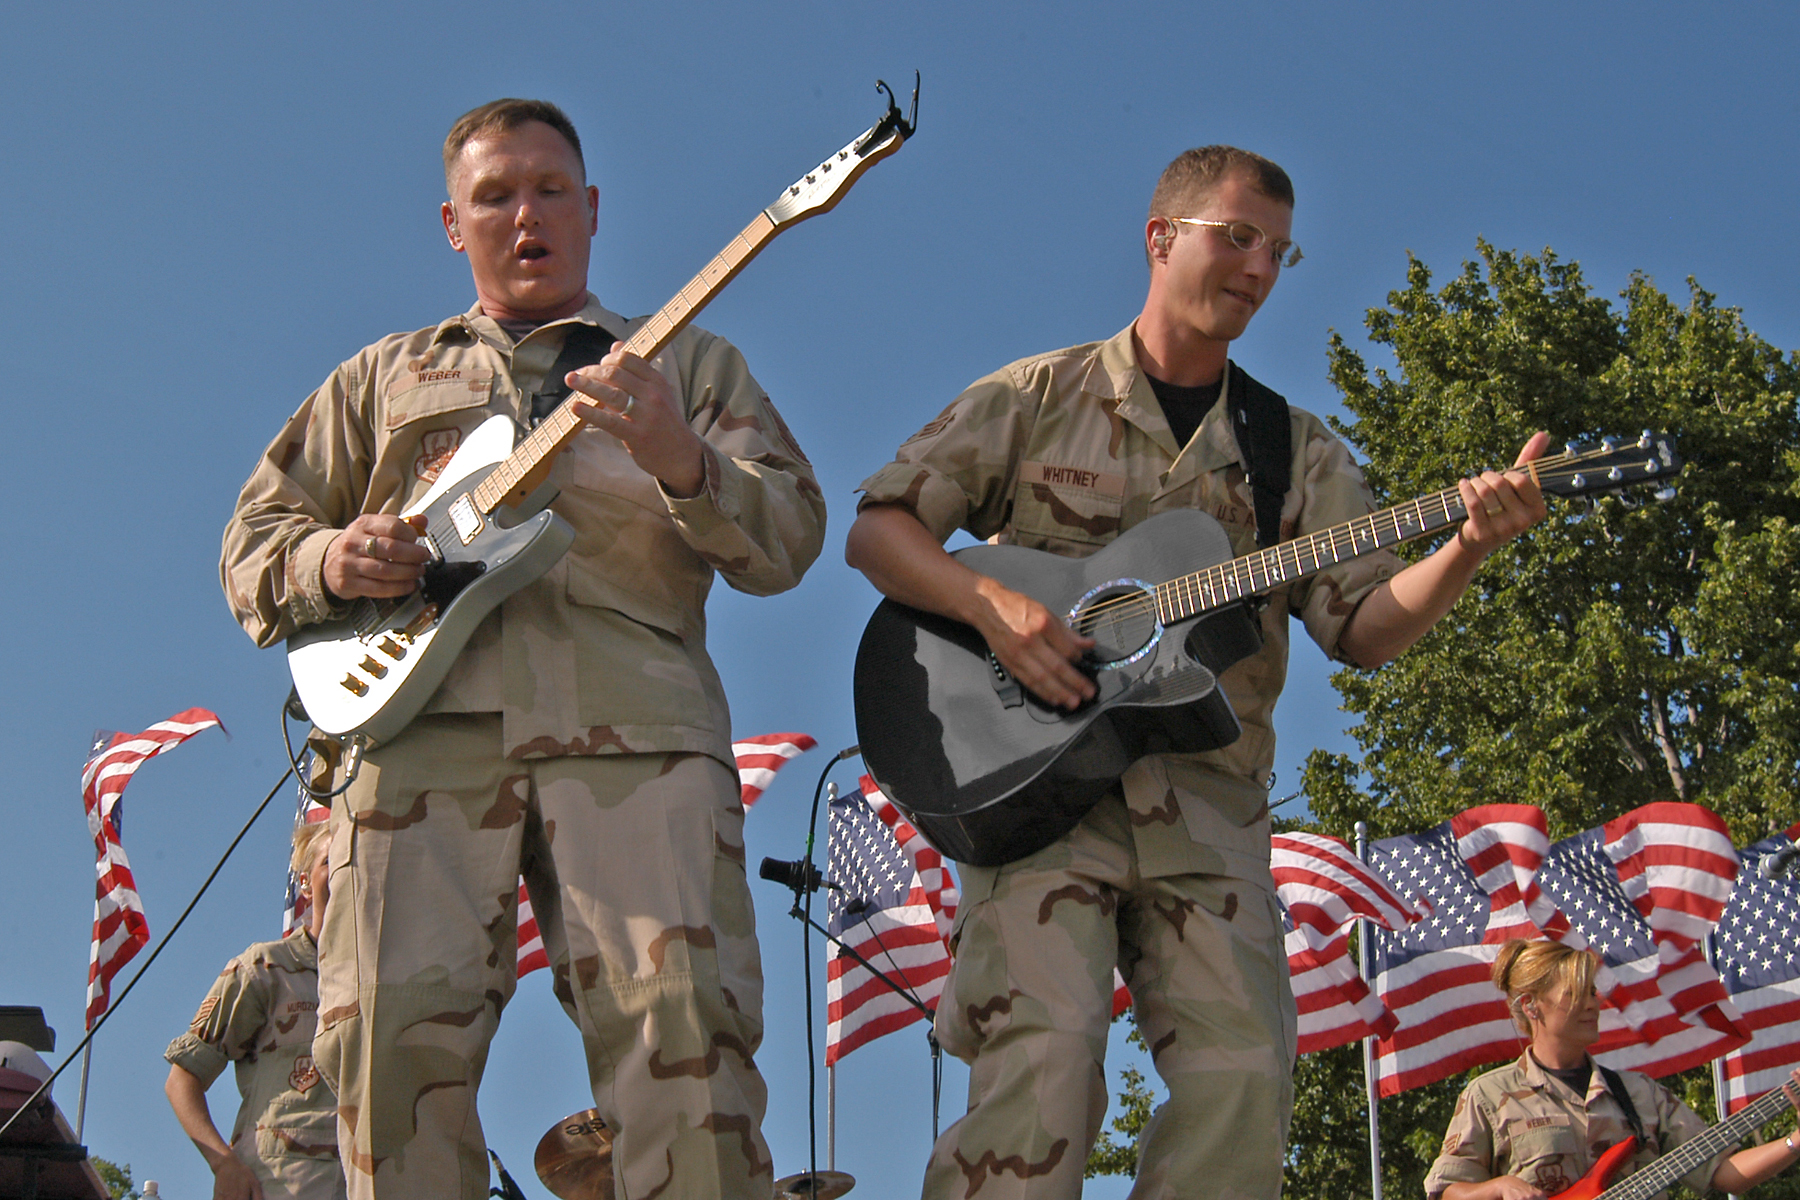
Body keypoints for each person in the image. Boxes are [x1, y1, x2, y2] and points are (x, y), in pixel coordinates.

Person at [844, 145, 1549, 1199]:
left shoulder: (1295, 450)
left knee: (1241, 1093)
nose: (1260, 268)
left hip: (1212, 822)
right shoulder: (1038, 394)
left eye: (1279, 251)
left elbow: (1360, 627)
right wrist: (994, 607)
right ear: (1160, 237)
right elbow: (879, 533)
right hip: (1032, 801)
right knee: (1041, 1075)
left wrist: (1466, 546)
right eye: (1238, 237)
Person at [221, 99, 825, 1200]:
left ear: (592, 211)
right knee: (385, 1054)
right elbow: (254, 540)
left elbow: (789, 539)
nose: (525, 214)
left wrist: (679, 455)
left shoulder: (685, 363)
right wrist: (331, 562)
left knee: (683, 1043)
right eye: (494, 195)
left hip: (636, 740)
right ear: (454, 225)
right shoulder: (381, 379)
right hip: (417, 743)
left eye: (550, 190)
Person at [1428, 939, 1800, 1199]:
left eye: (1593, 992)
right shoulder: (1489, 1095)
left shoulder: (1640, 1094)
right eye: (1577, 993)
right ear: (1531, 1006)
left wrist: (1796, 1140)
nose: (1595, 1004)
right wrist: (1497, 1186)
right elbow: (1449, 1190)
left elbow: (1724, 1172)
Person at [164, 821, 346, 1200]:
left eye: (353, 862)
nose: (344, 871)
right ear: (305, 884)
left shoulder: (383, 983)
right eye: (331, 861)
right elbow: (183, 1080)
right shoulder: (265, 970)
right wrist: (224, 1164)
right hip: (281, 1186)